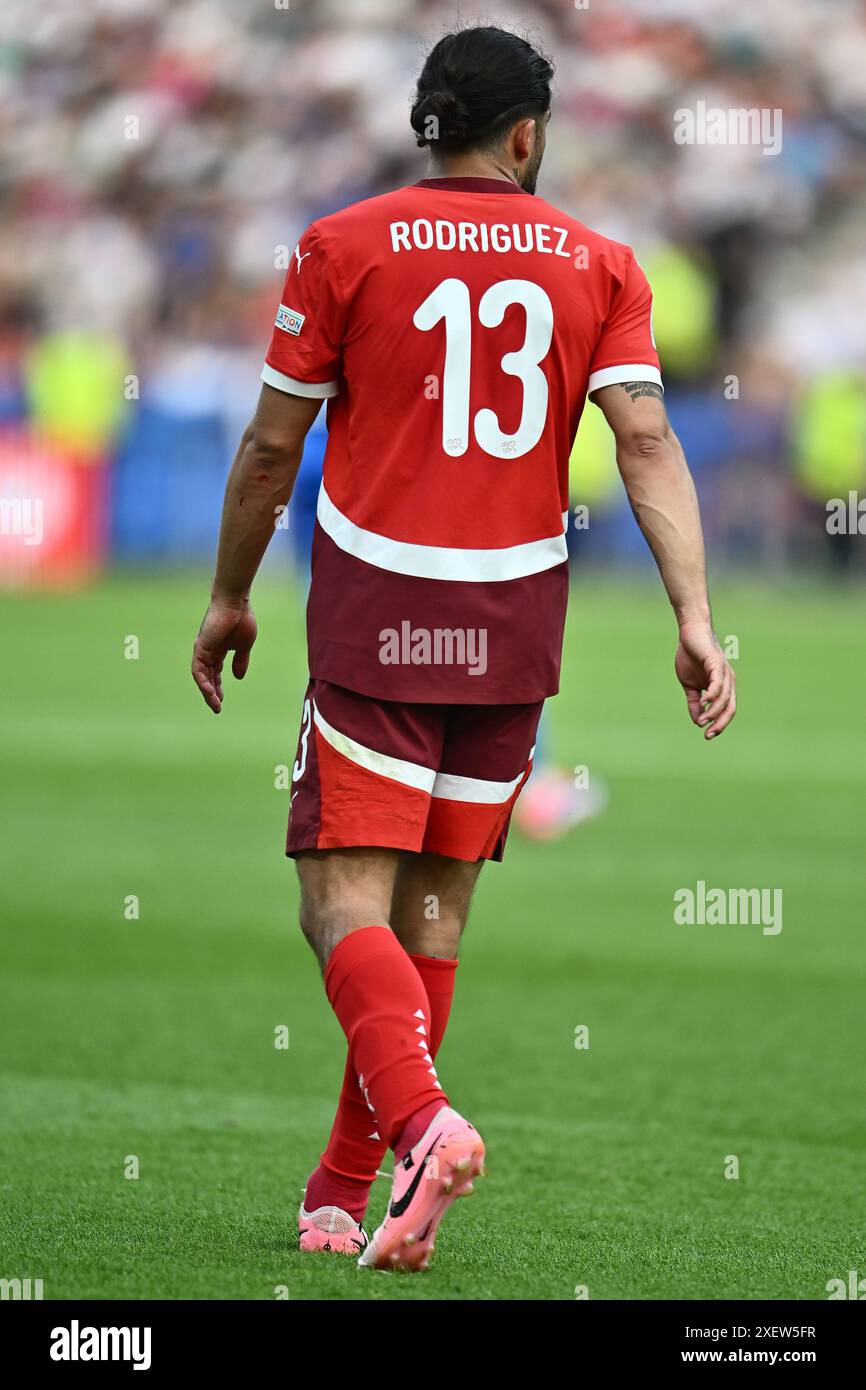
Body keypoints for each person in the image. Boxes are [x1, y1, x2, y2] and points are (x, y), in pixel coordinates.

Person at [191, 25, 736, 1274]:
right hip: (510, 630)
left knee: (339, 908)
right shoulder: (600, 263)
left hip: (380, 615)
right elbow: (645, 443)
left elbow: (272, 450)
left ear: (423, 128)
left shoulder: (337, 244)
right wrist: (693, 618)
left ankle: (423, 1126)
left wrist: (229, 594)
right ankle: (346, 1185)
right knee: (429, 917)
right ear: (527, 134)